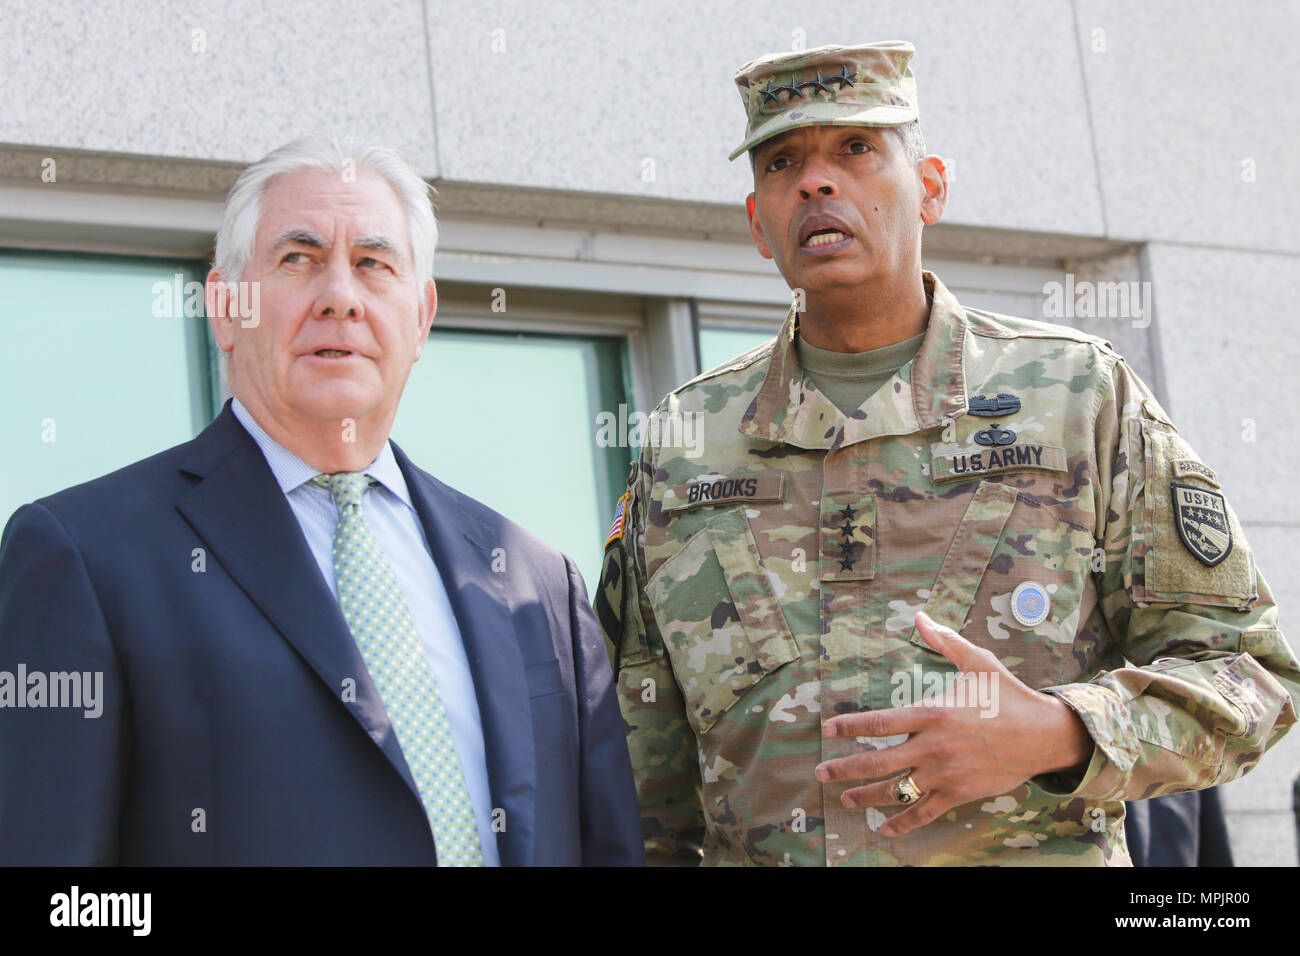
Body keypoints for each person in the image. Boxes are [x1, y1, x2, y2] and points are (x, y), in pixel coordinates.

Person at [596, 41, 1299, 866]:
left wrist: (1060, 732)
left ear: (930, 188)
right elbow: (642, 775)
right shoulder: (687, 441)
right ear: (759, 223)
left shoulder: (1075, 395)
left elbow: (1250, 679)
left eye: (855, 149)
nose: (817, 183)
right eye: (782, 161)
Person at [0, 135, 643, 866]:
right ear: (224, 307)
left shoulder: (540, 583)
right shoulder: (86, 555)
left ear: (423, 316)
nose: (340, 296)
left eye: (373, 264)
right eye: (298, 260)